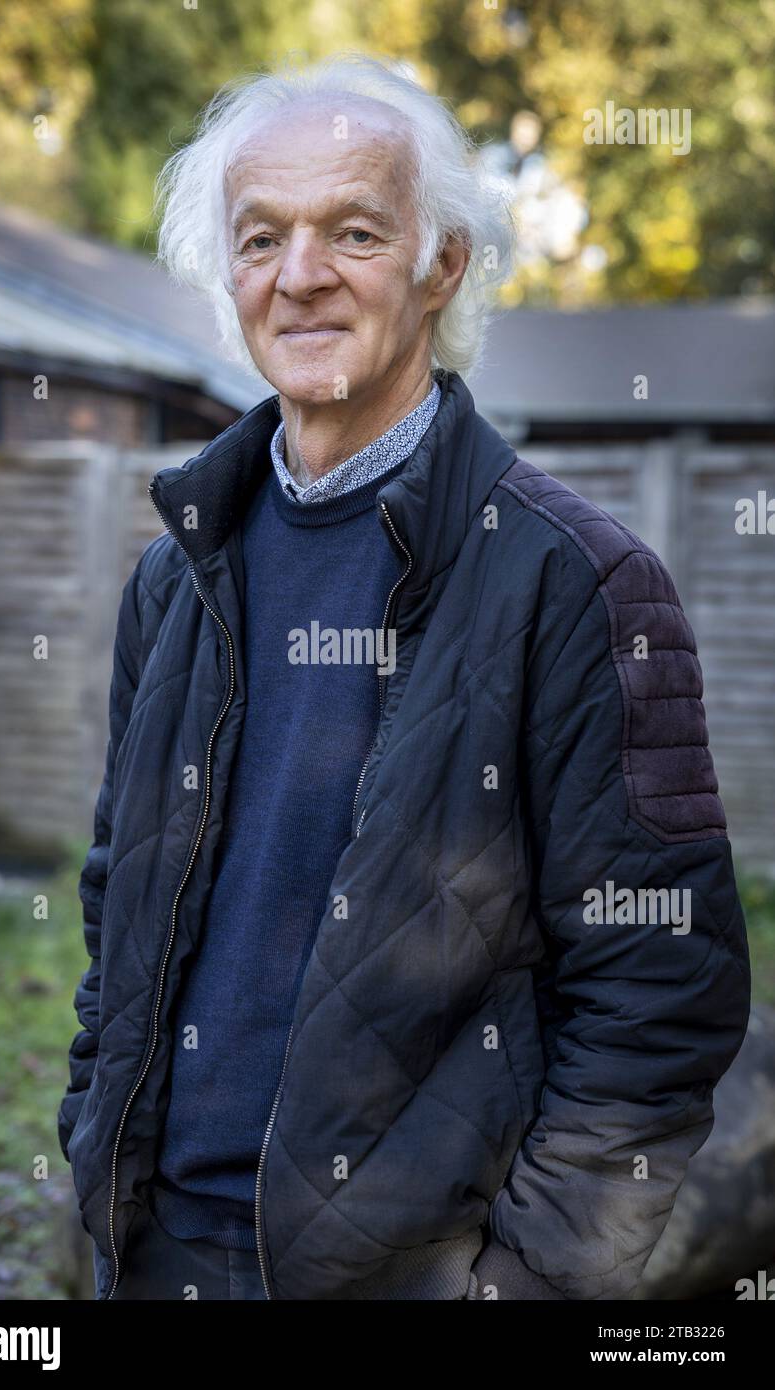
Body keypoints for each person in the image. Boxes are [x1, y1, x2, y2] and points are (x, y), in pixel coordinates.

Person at [57, 53, 751, 1302]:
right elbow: (118, 901)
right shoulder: (174, 577)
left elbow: (656, 996)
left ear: (441, 267)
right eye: (260, 236)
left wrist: (527, 1284)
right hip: (154, 1255)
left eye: (354, 231)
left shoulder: (577, 581)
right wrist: (92, 1145)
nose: (301, 274)